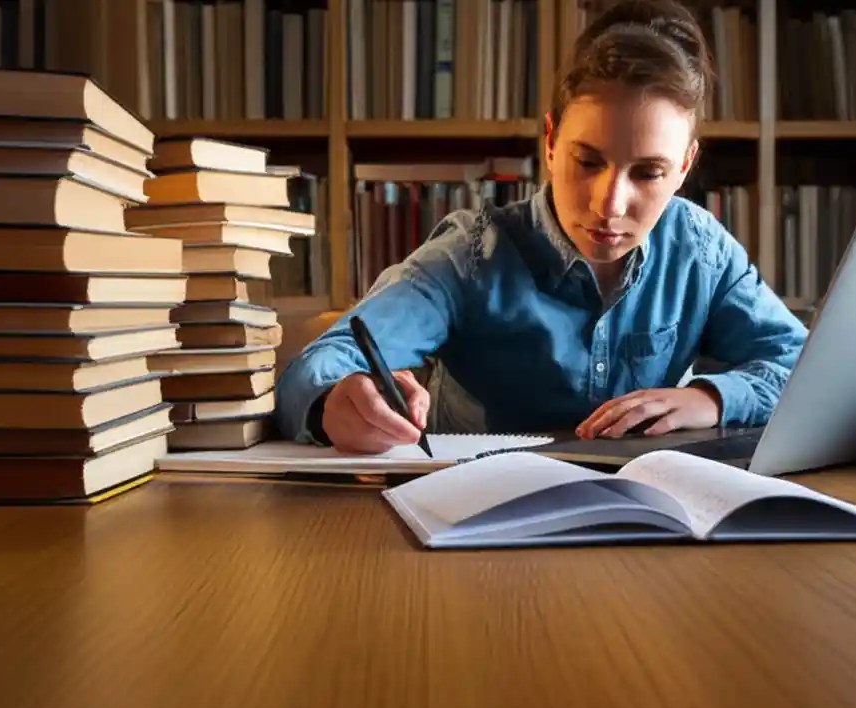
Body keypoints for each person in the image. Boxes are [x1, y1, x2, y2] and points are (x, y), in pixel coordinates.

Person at [275, 0, 808, 454]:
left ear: (685, 167)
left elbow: (806, 370)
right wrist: (334, 403)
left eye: (648, 173)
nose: (609, 204)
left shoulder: (699, 250)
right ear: (551, 143)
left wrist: (711, 398)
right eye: (588, 161)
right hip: (476, 516)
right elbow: (317, 366)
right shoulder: (471, 255)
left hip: (644, 519)